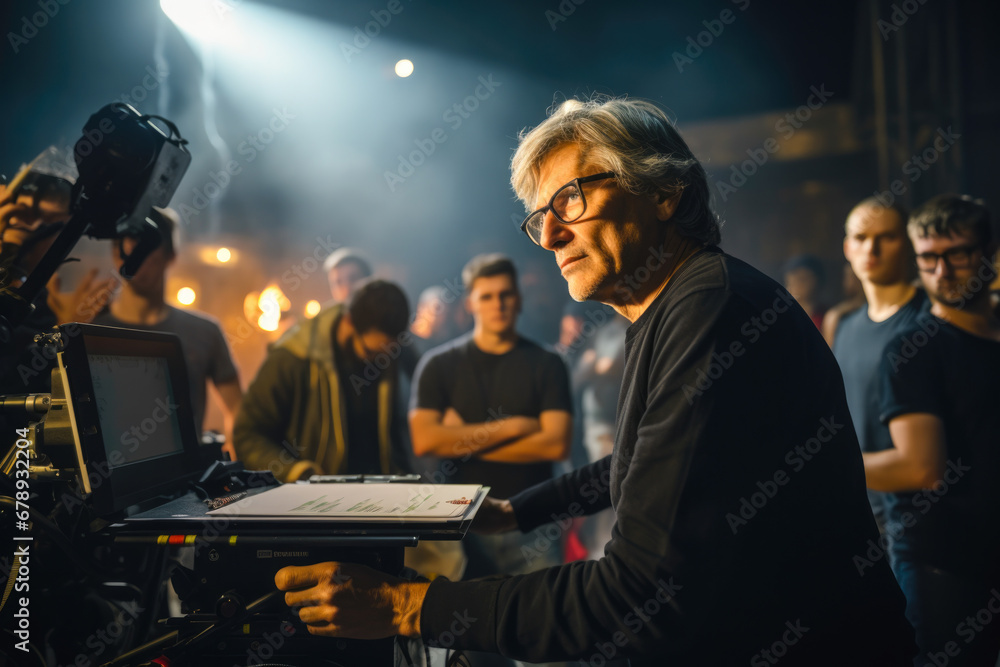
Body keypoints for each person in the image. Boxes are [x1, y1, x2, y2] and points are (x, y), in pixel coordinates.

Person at [273, 97, 915, 666]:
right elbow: (636, 464)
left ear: (664, 193)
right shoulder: (671, 305)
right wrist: (513, 513)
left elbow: (642, 591)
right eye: (538, 216)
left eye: (570, 199)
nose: (550, 235)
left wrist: (407, 605)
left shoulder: (709, 308)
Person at [865, 194, 1000, 666]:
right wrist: (818, 464)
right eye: (928, 258)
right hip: (943, 560)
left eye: (957, 254)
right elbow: (921, 468)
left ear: (989, 253)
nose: (941, 272)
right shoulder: (914, 349)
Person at [408, 254, 572, 580]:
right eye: (486, 296)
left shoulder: (547, 363)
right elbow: (425, 441)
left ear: (519, 299)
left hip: (532, 523)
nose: (497, 304)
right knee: (462, 625)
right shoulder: (438, 365)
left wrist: (459, 440)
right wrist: (516, 426)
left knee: (539, 624)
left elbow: (555, 445)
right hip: (459, 526)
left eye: (505, 294)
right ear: (470, 303)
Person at [92, 207, 243, 459]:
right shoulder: (92, 331)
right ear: (115, 253)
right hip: (114, 485)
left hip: (188, 486)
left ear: (170, 255)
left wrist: (238, 467)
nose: (134, 257)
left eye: (146, 247)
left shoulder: (205, 331)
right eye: (125, 246)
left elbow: (238, 408)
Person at [234, 278, 412, 482]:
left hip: (382, 495)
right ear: (349, 322)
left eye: (389, 354)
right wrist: (297, 472)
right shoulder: (293, 357)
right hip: (313, 503)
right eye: (371, 352)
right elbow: (247, 436)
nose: (381, 362)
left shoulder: (396, 355)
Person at [832, 198, 929, 530]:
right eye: (860, 238)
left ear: (908, 243)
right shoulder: (845, 327)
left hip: (917, 516)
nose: (870, 249)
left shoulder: (928, 319)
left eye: (886, 236)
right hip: (861, 510)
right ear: (847, 247)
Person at [783, 253, 827, 329]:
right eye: (789, 280)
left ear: (816, 281)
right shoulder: (781, 316)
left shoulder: (826, 317)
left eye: (801, 279)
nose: (794, 284)